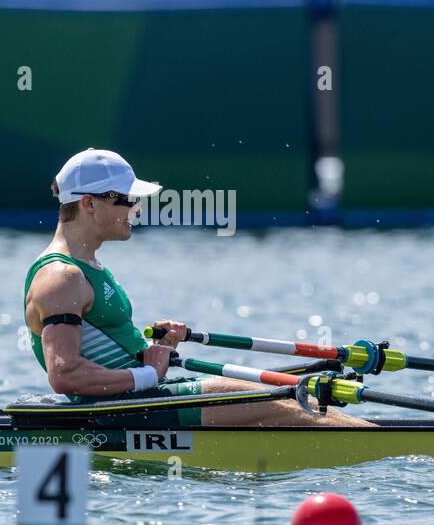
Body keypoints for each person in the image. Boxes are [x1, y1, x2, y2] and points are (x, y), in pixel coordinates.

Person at [23, 148, 369, 427]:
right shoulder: (61, 276)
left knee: (298, 399)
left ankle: (374, 436)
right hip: (121, 410)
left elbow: (103, 354)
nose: (136, 208)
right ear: (89, 203)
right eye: (127, 200)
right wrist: (147, 373)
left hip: (144, 396)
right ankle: (393, 451)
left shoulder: (90, 266)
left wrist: (154, 349)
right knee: (287, 405)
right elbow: (66, 375)